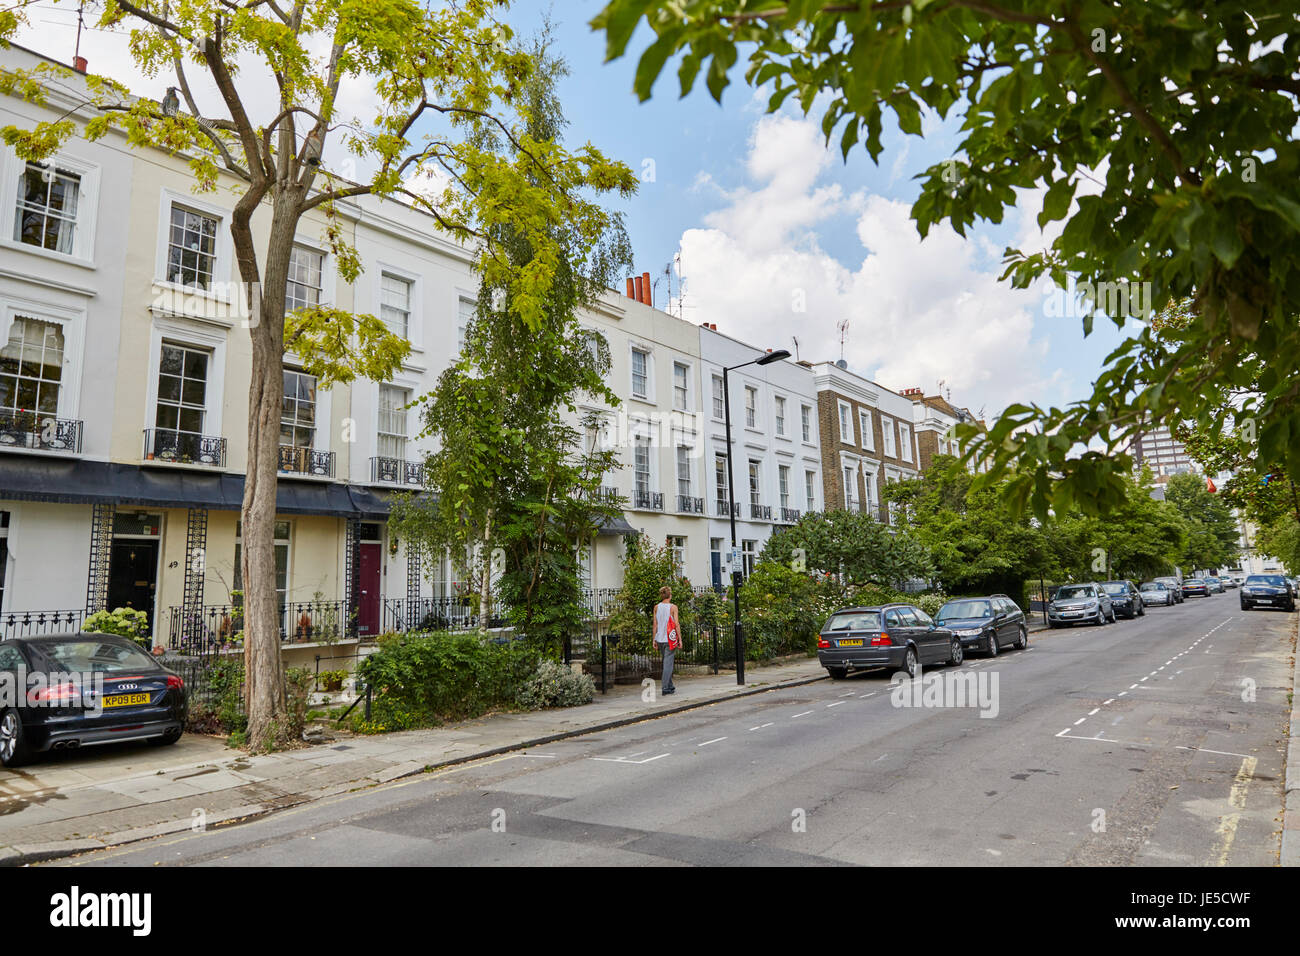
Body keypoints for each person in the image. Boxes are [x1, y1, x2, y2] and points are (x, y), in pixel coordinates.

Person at [653, 585, 679, 695]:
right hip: (670, 639)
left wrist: (654, 639)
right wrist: (680, 639)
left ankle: (670, 686)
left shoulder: (656, 607)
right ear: (670, 595)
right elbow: (676, 624)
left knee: (666, 662)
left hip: (660, 638)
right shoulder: (673, 607)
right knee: (668, 664)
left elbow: (655, 624)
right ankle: (665, 688)